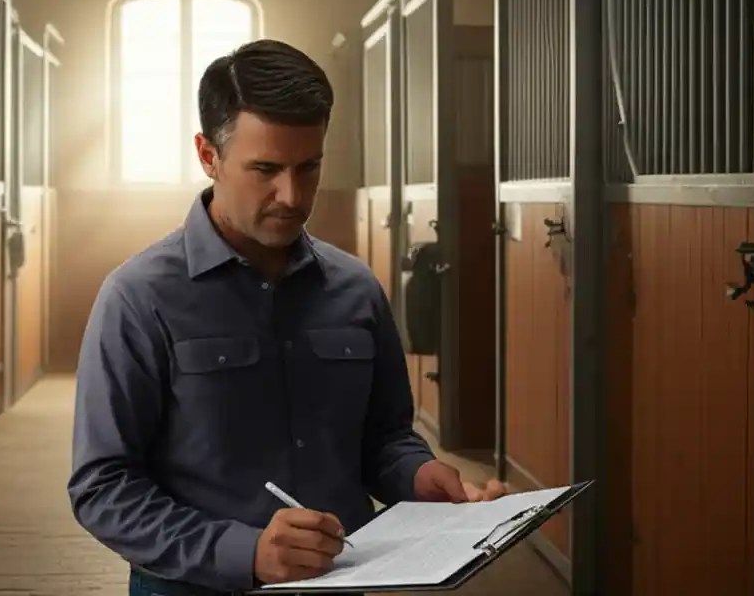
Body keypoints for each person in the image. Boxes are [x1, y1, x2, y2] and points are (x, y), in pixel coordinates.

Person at [67, 39, 505, 596]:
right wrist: (243, 553)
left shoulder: (354, 288)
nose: (291, 196)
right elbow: (103, 487)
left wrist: (421, 477)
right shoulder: (137, 296)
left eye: (309, 167)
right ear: (208, 156)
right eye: (265, 169)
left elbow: (384, 438)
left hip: (348, 582)